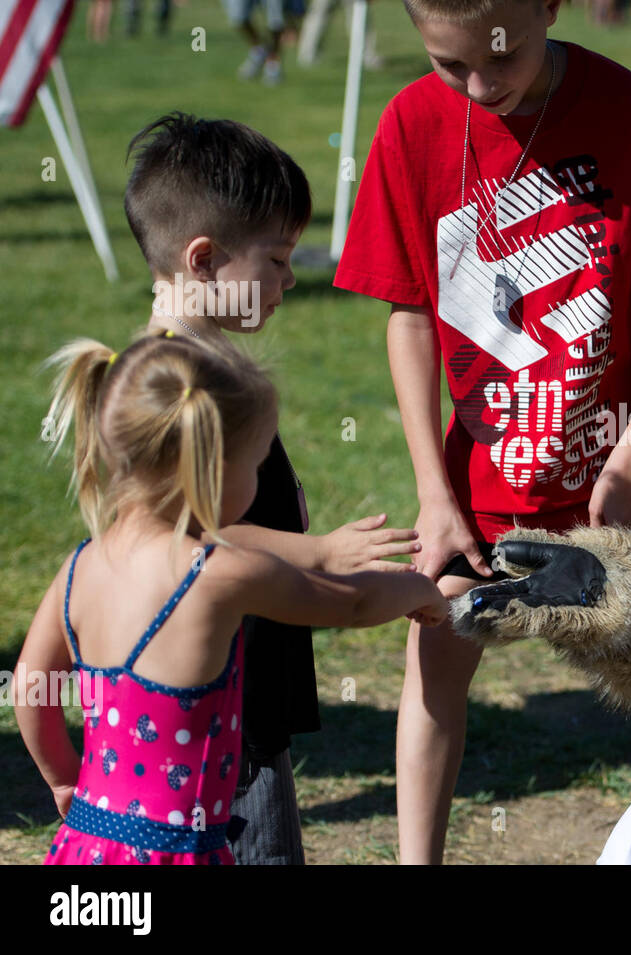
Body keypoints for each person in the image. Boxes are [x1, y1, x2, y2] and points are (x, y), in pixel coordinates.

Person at [333, 0, 631, 863]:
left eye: (496, 62)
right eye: (446, 64)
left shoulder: (630, 110)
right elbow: (411, 315)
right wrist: (434, 496)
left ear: (547, 8)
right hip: (481, 490)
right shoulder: (413, 123)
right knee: (434, 676)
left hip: (624, 478)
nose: (476, 86)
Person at [16, 334, 448, 865]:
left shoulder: (79, 565)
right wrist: (421, 588)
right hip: (175, 852)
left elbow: (32, 687)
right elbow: (351, 604)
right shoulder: (219, 574)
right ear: (214, 469)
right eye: (257, 461)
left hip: (85, 843)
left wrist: (63, 780)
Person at [127, 112, 424, 864]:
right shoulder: (180, 386)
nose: (292, 280)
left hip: (237, 696)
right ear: (204, 258)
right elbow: (184, 536)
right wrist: (319, 550)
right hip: (225, 712)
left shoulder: (186, 368)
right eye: (277, 258)